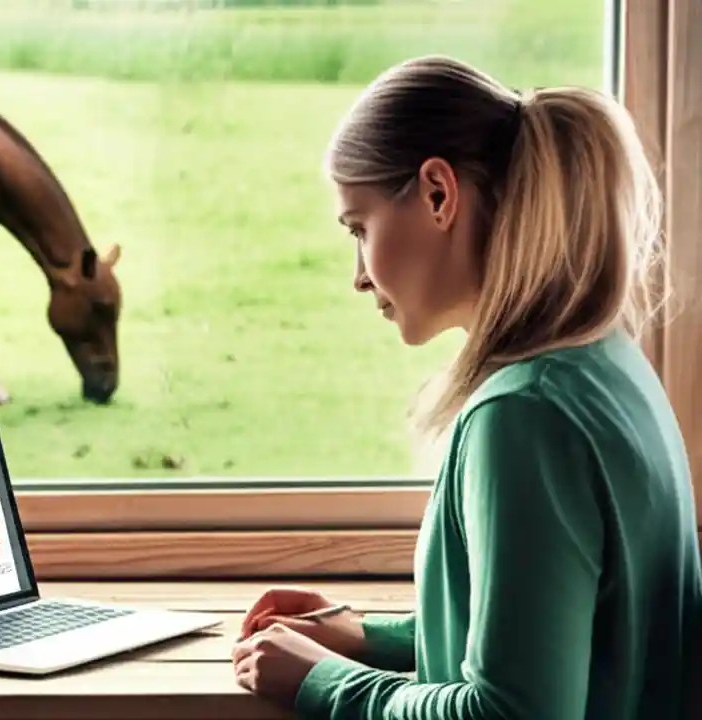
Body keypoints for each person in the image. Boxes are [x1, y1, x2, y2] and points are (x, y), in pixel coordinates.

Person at [230, 55, 702, 719]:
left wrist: (325, 684)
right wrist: (366, 636)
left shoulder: (523, 416)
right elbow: (554, 635)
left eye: (359, 228)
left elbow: (511, 711)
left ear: (437, 195)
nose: (358, 276)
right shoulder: (603, 362)